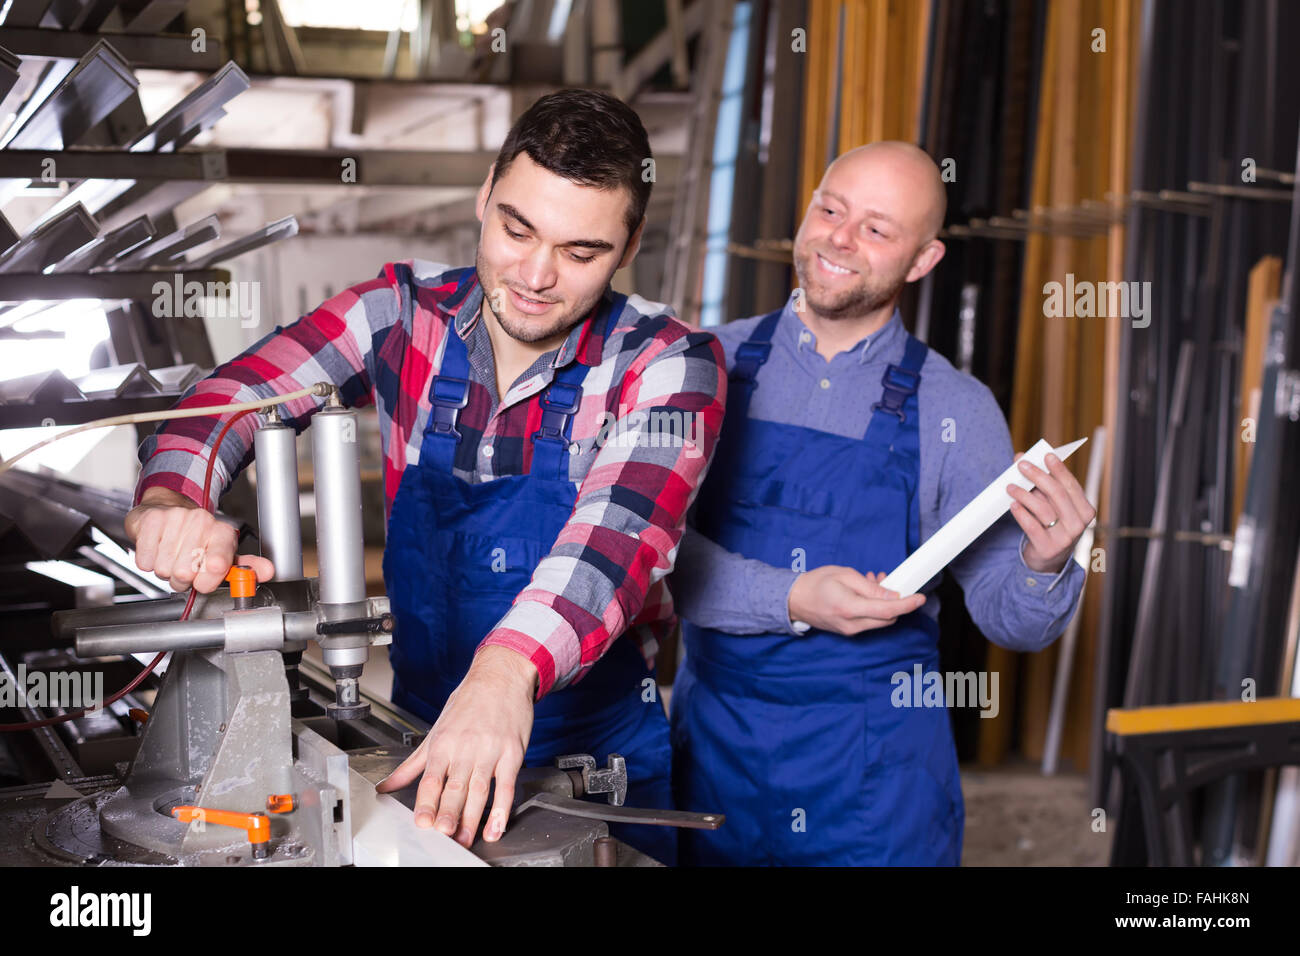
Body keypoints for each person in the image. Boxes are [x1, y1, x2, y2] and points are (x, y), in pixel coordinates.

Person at [124, 89, 726, 865]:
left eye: (582, 253)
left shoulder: (669, 364)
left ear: (631, 242)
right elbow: (238, 394)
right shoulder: (399, 316)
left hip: (595, 773)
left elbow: (615, 539)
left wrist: (506, 672)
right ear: (484, 196)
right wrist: (174, 497)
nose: (537, 275)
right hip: (411, 744)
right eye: (516, 229)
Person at [668, 141, 1095, 866]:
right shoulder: (702, 365)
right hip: (713, 755)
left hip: (874, 783)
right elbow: (653, 553)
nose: (840, 237)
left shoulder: (955, 408)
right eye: (830, 209)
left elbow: (1008, 618)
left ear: (923, 261)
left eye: (877, 228)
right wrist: (794, 597)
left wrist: (1043, 564)